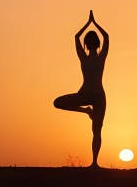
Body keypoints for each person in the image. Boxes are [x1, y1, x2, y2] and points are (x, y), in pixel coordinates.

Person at [54, 10, 109, 168]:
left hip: (99, 96)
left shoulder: (102, 56)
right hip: (84, 94)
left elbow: (106, 38)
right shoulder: (83, 57)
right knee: (58, 102)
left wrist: (93, 23)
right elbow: (77, 38)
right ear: (88, 44)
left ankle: (94, 163)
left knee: (97, 130)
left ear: (95, 44)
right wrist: (90, 23)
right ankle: (86, 111)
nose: (91, 43)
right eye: (90, 41)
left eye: (92, 41)